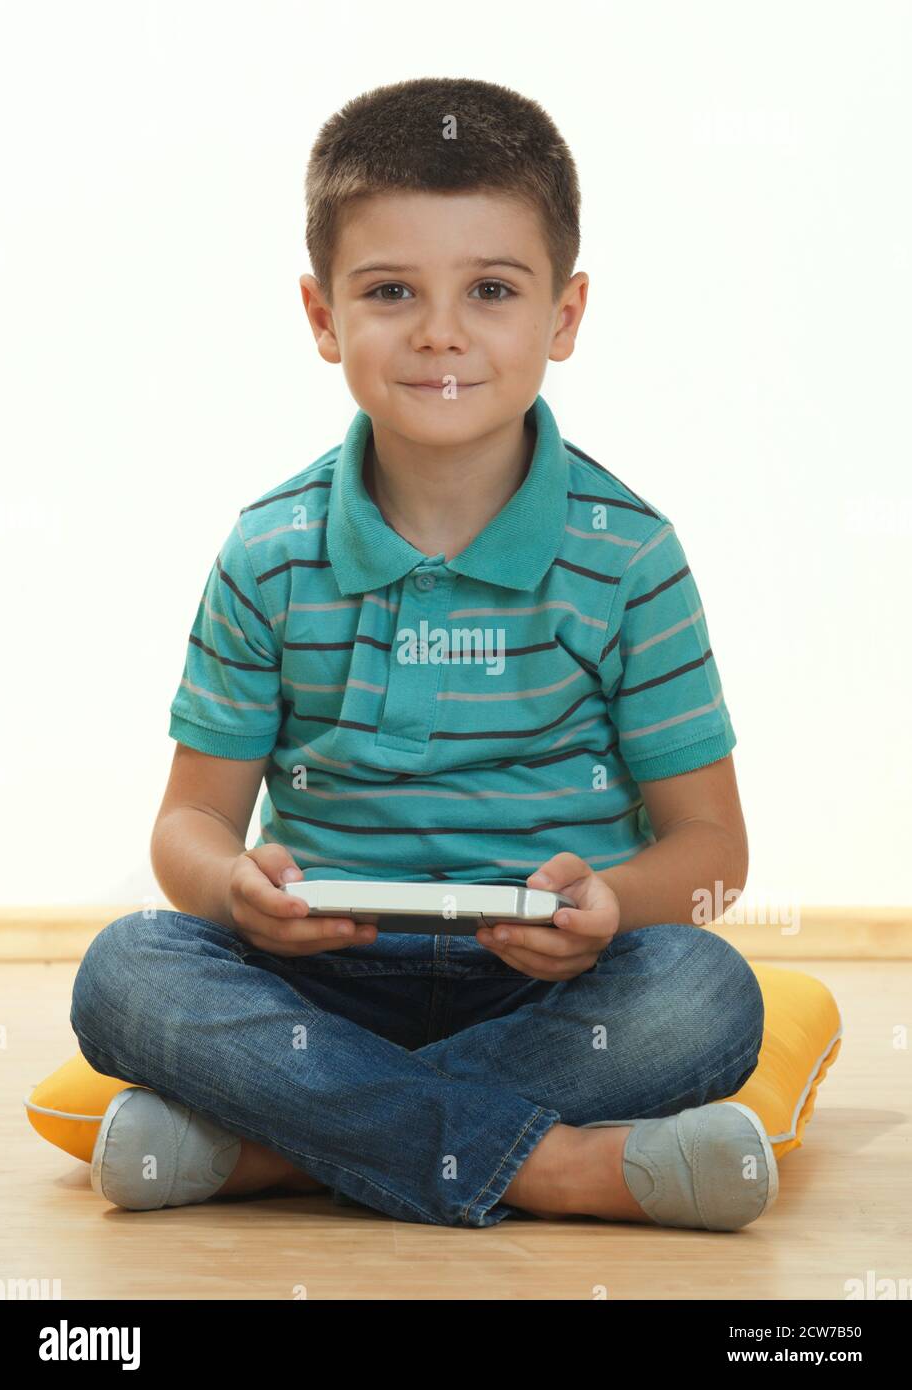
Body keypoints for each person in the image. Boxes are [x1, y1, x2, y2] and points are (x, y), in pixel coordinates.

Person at [71, 76, 776, 1232]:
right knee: (125, 971)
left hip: (549, 988)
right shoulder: (269, 551)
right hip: (321, 984)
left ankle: (282, 1148)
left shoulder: (628, 557)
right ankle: (547, 1165)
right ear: (320, 316)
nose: (440, 331)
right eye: (390, 291)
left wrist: (609, 903)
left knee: (705, 994)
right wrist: (236, 892)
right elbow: (187, 826)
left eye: (490, 290)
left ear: (562, 315)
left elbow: (711, 850)